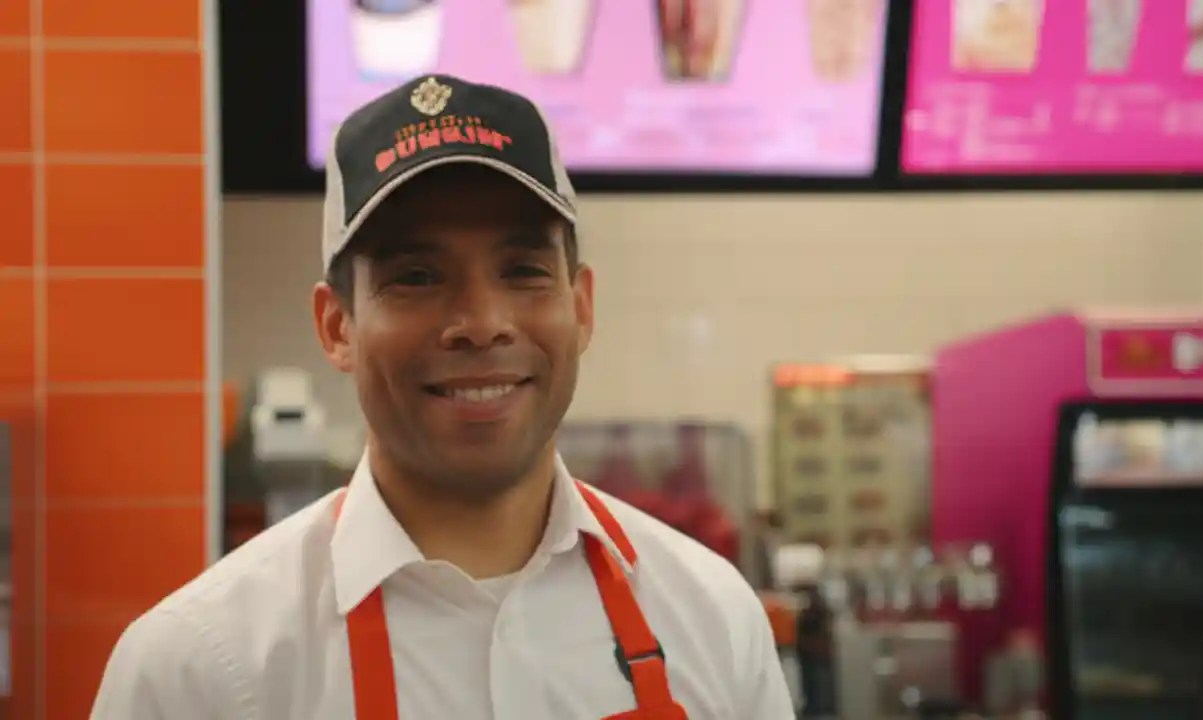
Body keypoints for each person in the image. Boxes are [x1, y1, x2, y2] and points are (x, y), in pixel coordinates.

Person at [90, 74, 794, 719]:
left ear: (581, 309)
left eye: (522, 270)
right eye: (418, 276)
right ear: (337, 327)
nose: (483, 322)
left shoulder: (712, 617)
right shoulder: (197, 671)